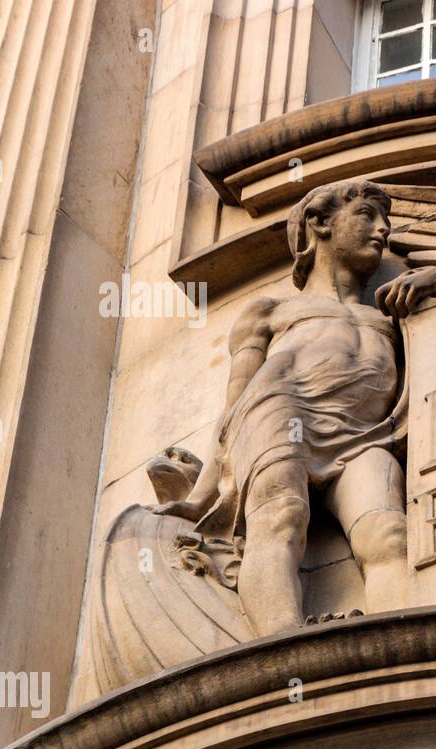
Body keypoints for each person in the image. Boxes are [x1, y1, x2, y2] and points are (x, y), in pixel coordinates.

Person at [157, 180, 407, 636]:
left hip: (366, 432)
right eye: (367, 215)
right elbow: (232, 411)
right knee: (281, 517)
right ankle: (283, 644)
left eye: (384, 219)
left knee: (389, 532)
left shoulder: (391, 316)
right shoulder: (269, 310)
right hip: (282, 413)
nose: (383, 229)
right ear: (320, 223)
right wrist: (199, 499)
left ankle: (399, 649)